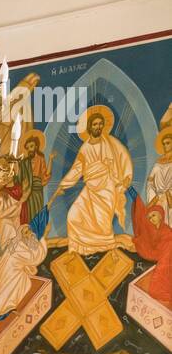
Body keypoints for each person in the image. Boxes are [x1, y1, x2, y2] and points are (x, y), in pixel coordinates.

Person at [49, 105, 133, 255]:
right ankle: (82, 248)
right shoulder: (85, 148)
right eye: (95, 124)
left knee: (102, 223)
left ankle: (103, 249)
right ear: (89, 126)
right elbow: (77, 169)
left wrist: (126, 177)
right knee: (73, 216)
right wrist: (63, 185)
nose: (98, 127)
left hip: (107, 187)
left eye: (101, 124)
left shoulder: (111, 142)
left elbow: (124, 157)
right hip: (90, 188)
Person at [0, 224, 48, 336]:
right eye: (26, 234)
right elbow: (36, 259)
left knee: (22, 284)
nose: (29, 236)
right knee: (1, 302)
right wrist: (42, 240)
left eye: (30, 233)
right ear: (22, 234)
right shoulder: (21, 249)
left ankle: (1, 312)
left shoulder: (13, 243)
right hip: (10, 277)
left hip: (6, 276)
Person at [132, 193, 172, 308]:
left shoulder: (167, 230)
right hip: (156, 252)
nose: (151, 219)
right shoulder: (151, 229)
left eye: (153, 215)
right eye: (150, 217)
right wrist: (132, 191)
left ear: (161, 215)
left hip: (166, 255)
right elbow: (140, 213)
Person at [146, 121, 172, 225]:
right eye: (164, 144)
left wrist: (169, 193)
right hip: (159, 198)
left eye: (168, 143)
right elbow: (150, 182)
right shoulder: (158, 162)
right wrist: (155, 196)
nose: (166, 146)